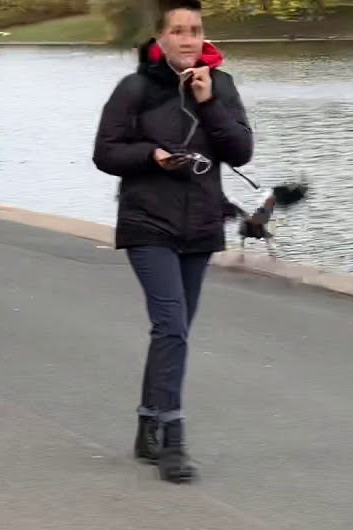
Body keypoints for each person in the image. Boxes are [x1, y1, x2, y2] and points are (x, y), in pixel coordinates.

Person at [93, 0, 253, 484]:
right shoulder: (135, 87)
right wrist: (153, 155)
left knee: (174, 330)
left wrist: (209, 104)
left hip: (201, 226)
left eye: (195, 31)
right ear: (160, 38)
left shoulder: (220, 86)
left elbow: (241, 151)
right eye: (178, 31)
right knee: (171, 326)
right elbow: (105, 153)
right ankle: (172, 439)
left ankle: (147, 424)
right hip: (148, 223)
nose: (187, 40)